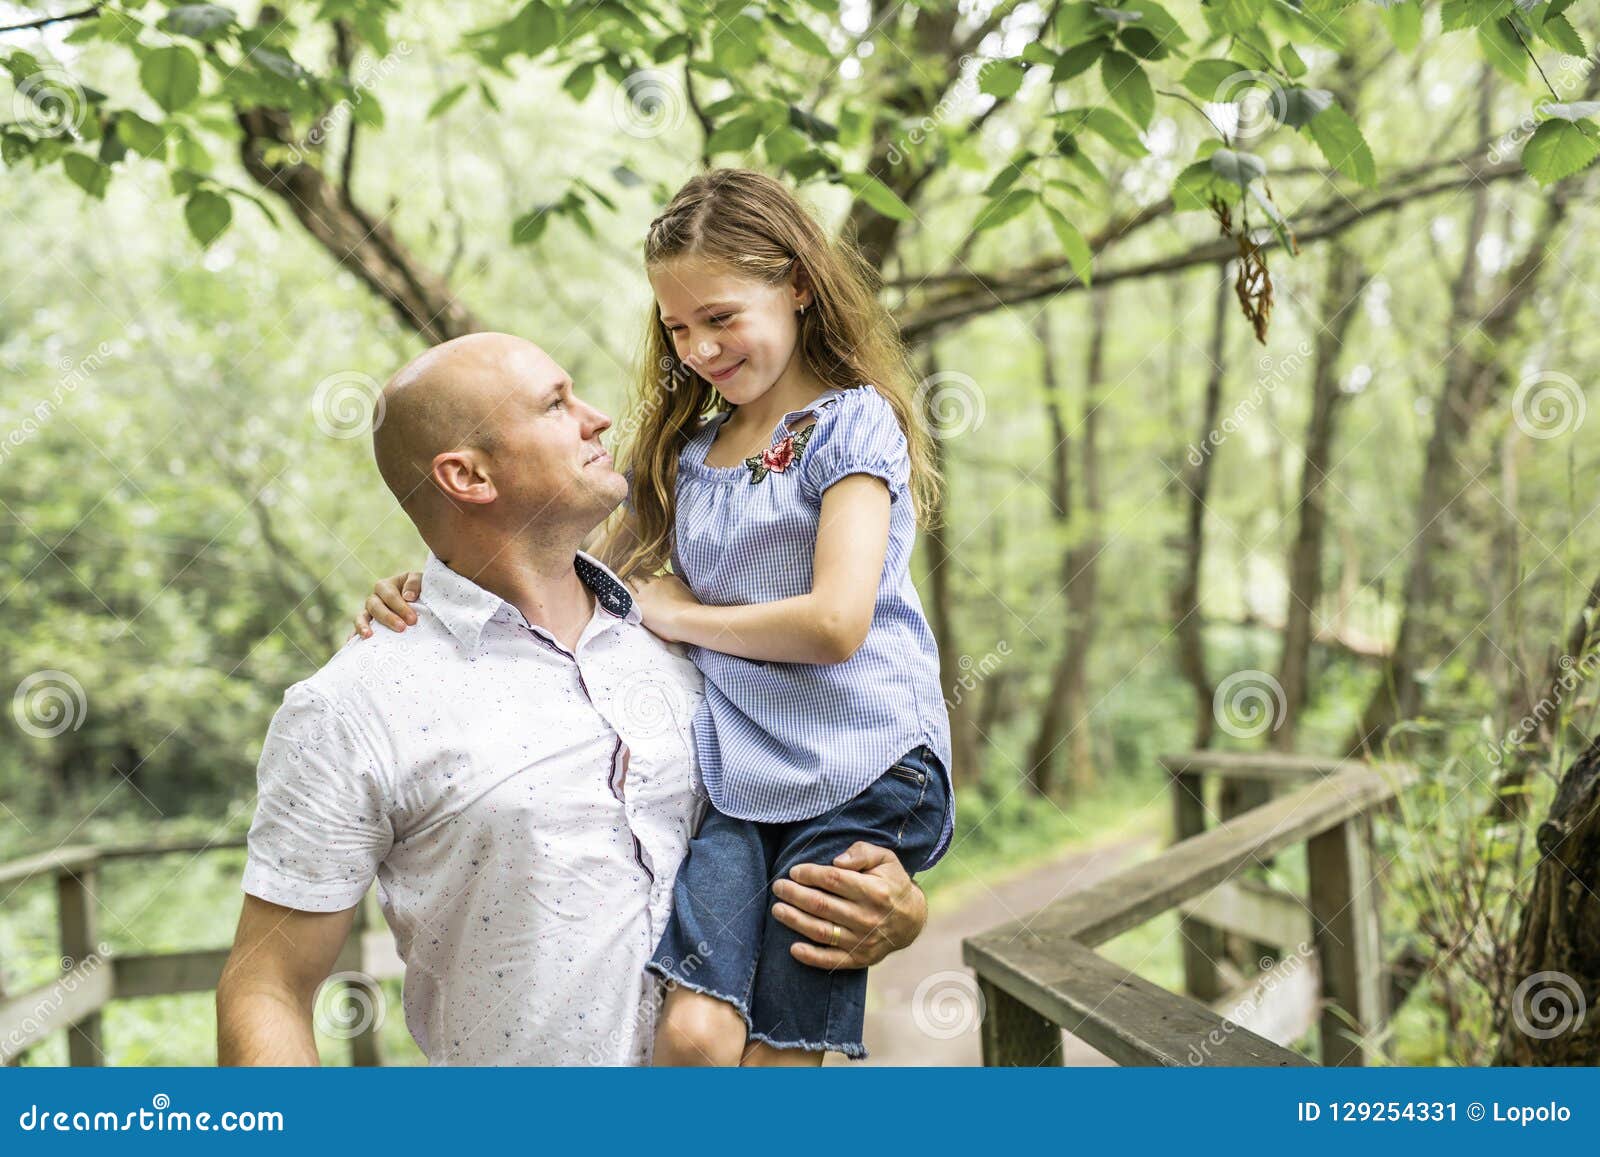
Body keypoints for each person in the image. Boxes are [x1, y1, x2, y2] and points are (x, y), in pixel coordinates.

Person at [356, 169, 953, 1065]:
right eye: (678, 327)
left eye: (721, 317)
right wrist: (434, 586)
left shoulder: (852, 427)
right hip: (746, 775)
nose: (700, 348)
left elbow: (836, 622)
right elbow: (563, 563)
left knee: (774, 1061)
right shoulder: (691, 451)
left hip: (865, 766)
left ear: (796, 283)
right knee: (696, 1034)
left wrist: (685, 614)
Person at [217, 332, 928, 1067]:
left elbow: (805, 806)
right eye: (555, 404)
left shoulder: (692, 631)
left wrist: (896, 906)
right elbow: (265, 984)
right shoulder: (354, 705)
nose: (597, 418)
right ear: (467, 474)